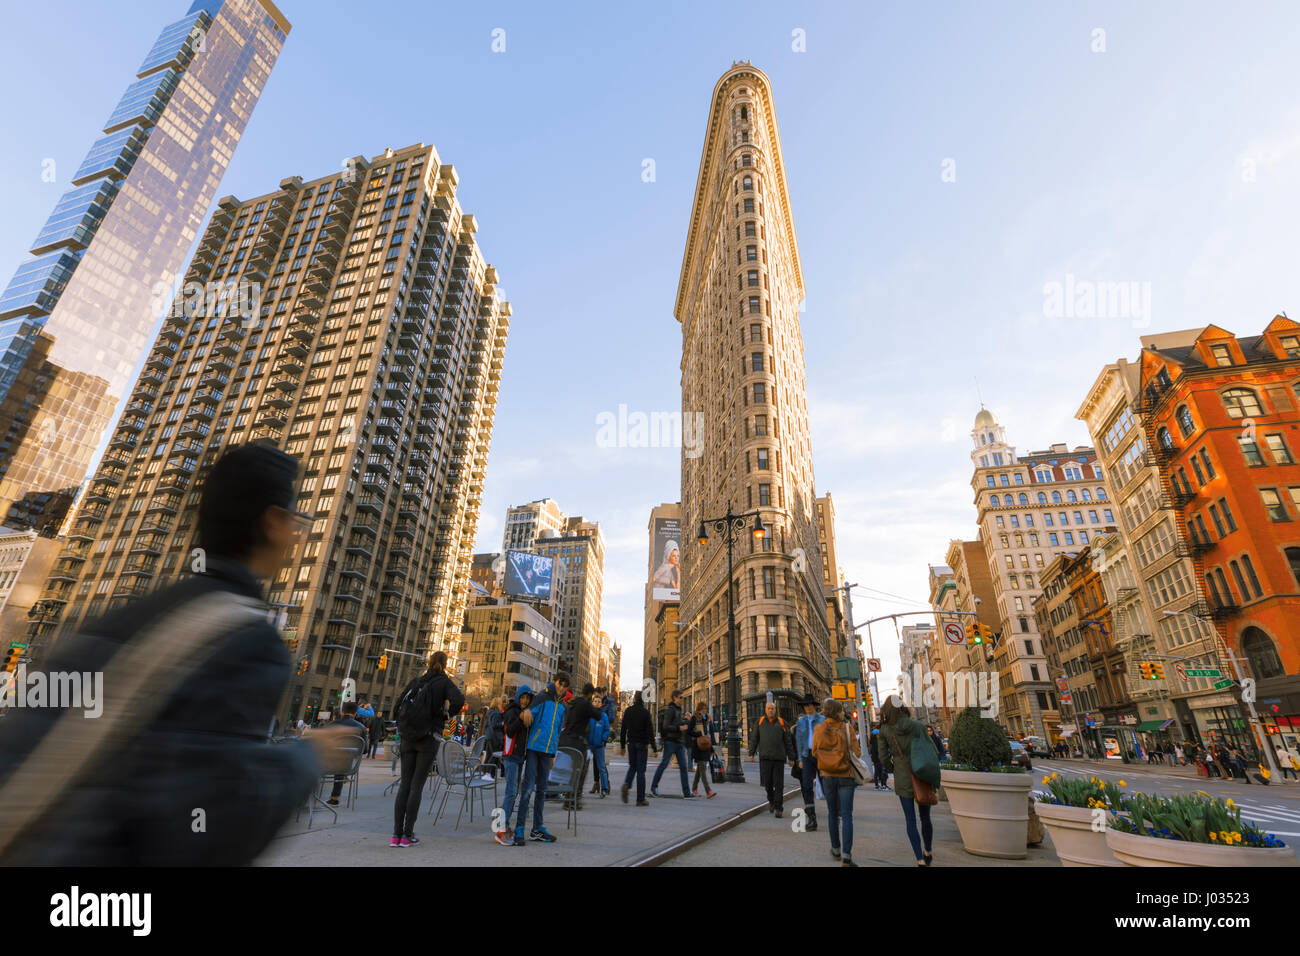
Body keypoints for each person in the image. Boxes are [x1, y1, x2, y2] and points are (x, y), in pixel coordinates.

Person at [0, 443, 329, 866]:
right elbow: (208, 822)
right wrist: (309, 757)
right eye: (296, 521)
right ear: (273, 523)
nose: (297, 535)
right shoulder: (246, 639)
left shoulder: (125, 617)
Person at [391, 650, 464, 848]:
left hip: (408, 738)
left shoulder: (417, 681)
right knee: (417, 786)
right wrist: (445, 715)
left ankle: (396, 835)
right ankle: (408, 834)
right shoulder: (444, 682)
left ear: (429, 663)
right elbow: (459, 699)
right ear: (445, 663)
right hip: (428, 737)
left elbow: (397, 706)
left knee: (405, 785)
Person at [878, 697, 940, 866]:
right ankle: (928, 850)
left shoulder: (884, 730)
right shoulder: (917, 726)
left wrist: (893, 768)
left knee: (910, 819)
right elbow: (933, 750)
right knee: (925, 817)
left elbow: (883, 757)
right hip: (922, 774)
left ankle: (919, 859)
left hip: (902, 775)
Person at [513, 672, 568, 844]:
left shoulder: (564, 706)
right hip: (533, 749)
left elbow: (558, 731)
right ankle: (519, 829)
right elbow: (526, 713)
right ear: (554, 682)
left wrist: (553, 754)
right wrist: (526, 713)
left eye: (565, 685)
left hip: (547, 752)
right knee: (528, 789)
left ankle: (537, 828)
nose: (562, 687)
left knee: (542, 791)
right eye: (560, 683)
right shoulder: (542, 697)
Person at [812, 697, 862, 866]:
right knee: (847, 815)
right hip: (846, 774)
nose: (843, 713)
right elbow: (857, 753)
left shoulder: (818, 729)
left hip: (827, 775)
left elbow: (814, 751)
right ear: (837, 712)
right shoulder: (847, 729)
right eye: (841, 710)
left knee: (832, 813)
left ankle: (835, 849)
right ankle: (847, 855)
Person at [494, 686, 533, 846]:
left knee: (513, 791)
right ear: (517, 697)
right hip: (510, 756)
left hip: (518, 757)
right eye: (522, 697)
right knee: (511, 792)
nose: (524, 701)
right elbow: (509, 731)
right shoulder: (512, 711)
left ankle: (504, 825)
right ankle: (500, 829)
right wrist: (521, 717)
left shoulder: (526, 711)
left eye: (527, 698)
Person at [559, 682, 603, 809]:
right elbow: (598, 716)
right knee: (580, 772)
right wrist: (598, 705)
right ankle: (573, 800)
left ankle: (568, 798)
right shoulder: (585, 704)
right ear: (590, 694)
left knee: (571, 771)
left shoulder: (572, 703)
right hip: (578, 743)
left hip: (566, 740)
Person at [749, 701, 795, 817]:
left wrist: (791, 757)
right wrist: (751, 753)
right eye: (769, 708)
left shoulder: (782, 722)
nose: (771, 710)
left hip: (779, 758)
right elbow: (754, 738)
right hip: (765, 758)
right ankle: (771, 801)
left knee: (779, 784)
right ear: (765, 710)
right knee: (768, 784)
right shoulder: (759, 722)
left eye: (773, 709)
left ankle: (779, 807)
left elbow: (788, 741)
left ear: (776, 710)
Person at [651, 689, 694, 798]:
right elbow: (666, 726)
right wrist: (679, 727)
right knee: (664, 764)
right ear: (675, 698)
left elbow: (678, 724)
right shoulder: (670, 710)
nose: (682, 700)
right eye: (681, 697)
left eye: (682, 698)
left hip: (679, 742)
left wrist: (684, 724)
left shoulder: (679, 710)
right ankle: (654, 787)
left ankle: (686, 792)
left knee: (683, 767)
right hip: (670, 741)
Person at [326, 701, 368, 806]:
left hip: (325, 765)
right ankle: (335, 797)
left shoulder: (331, 725)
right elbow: (365, 749)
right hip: (349, 767)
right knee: (344, 759)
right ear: (355, 714)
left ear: (342, 712)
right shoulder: (361, 727)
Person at [620, 691, 658, 805]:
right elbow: (650, 732)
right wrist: (654, 748)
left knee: (632, 766)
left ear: (634, 699)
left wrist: (622, 746)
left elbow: (623, 730)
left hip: (631, 743)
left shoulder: (628, 711)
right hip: (642, 744)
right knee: (641, 771)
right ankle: (640, 799)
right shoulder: (645, 713)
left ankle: (627, 783)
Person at [792, 693, 824, 829]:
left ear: (814, 706)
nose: (808, 707)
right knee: (806, 786)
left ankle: (836, 811)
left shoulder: (822, 720)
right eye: (805, 705)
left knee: (826, 783)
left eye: (810, 705)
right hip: (806, 756)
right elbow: (799, 741)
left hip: (820, 755)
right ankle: (812, 817)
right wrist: (799, 758)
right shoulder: (801, 722)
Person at [687, 702, 718, 797]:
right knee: (702, 769)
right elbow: (689, 731)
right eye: (703, 709)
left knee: (700, 770)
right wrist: (698, 734)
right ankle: (708, 791)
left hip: (706, 746)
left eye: (705, 709)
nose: (705, 711)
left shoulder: (706, 720)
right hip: (698, 746)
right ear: (699, 709)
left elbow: (707, 735)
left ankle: (694, 789)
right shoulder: (694, 718)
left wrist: (712, 749)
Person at [588, 691, 612, 797]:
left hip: (599, 745)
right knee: (583, 766)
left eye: (599, 701)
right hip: (589, 745)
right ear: (592, 702)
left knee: (602, 767)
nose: (597, 703)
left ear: (601, 704)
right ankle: (577, 789)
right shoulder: (589, 715)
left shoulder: (604, 716)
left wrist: (603, 739)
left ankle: (604, 788)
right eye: (595, 701)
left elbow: (607, 730)